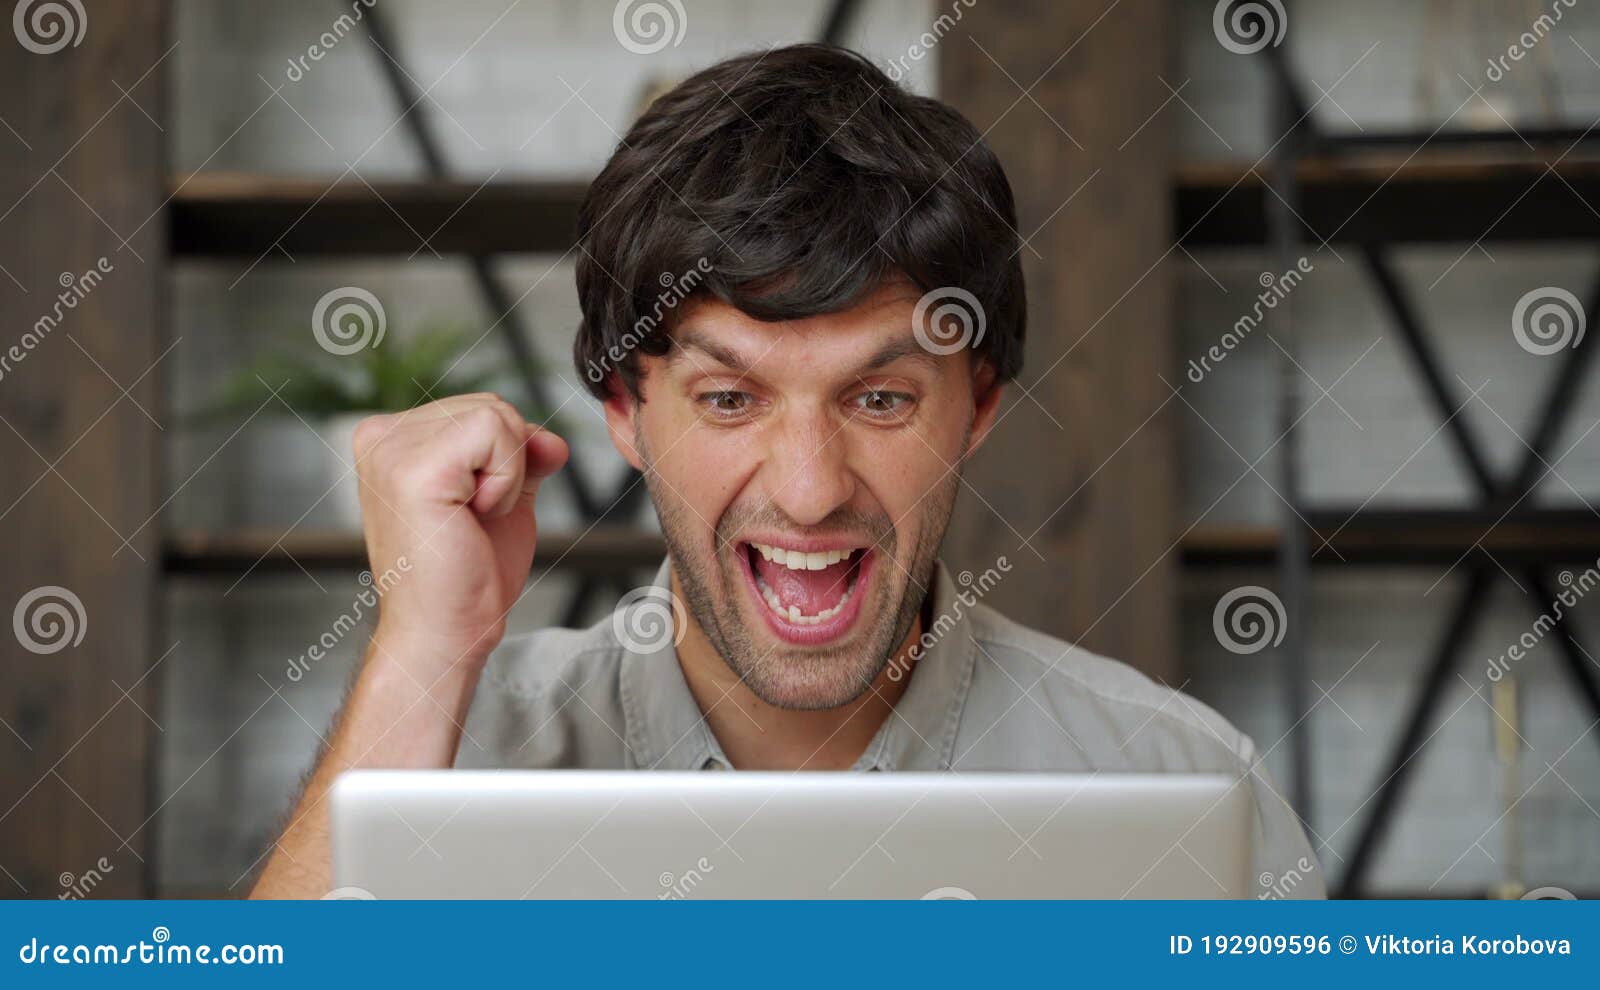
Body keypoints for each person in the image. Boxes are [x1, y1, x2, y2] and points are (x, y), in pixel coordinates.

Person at [251, 43, 1324, 899]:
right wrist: (423, 650)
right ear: (625, 410)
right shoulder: (443, 761)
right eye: (730, 399)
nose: (810, 492)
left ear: (978, 407)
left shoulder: (1183, 788)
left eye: (881, 399)